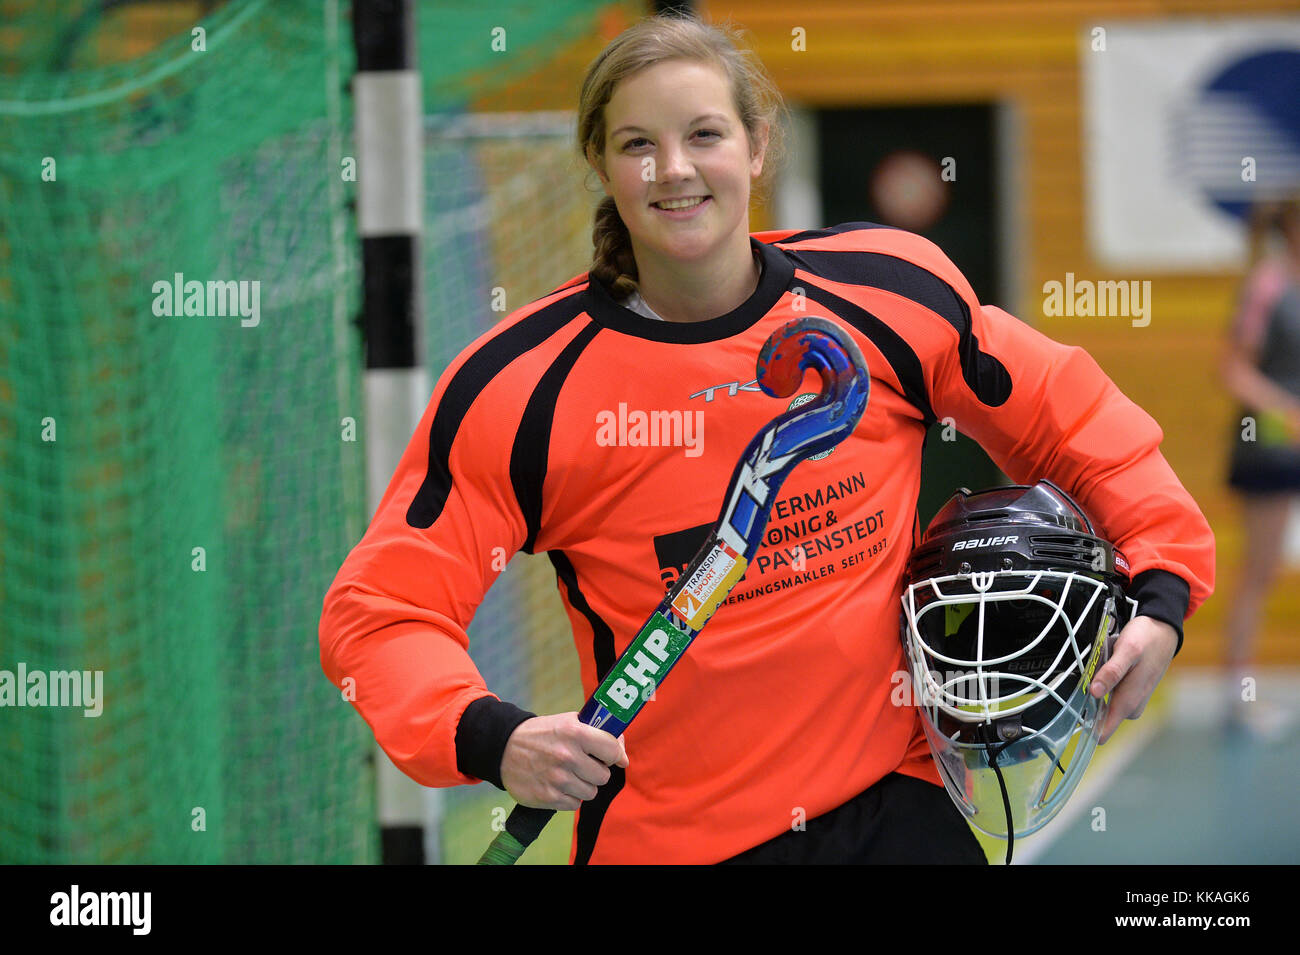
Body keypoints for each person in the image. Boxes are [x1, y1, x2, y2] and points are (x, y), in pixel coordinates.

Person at [318, 11, 1215, 864]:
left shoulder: (890, 290)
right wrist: (490, 735)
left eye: (704, 134)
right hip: (673, 842)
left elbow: (1072, 424)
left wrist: (1163, 586)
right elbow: (381, 614)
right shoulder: (519, 389)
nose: (675, 168)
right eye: (638, 144)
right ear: (599, 162)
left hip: (897, 813)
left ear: (756, 144)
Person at [1221, 197, 1300, 735]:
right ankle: (1238, 700)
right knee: (1260, 571)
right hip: (1269, 449)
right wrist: (1288, 412)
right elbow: (1232, 369)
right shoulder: (1268, 286)